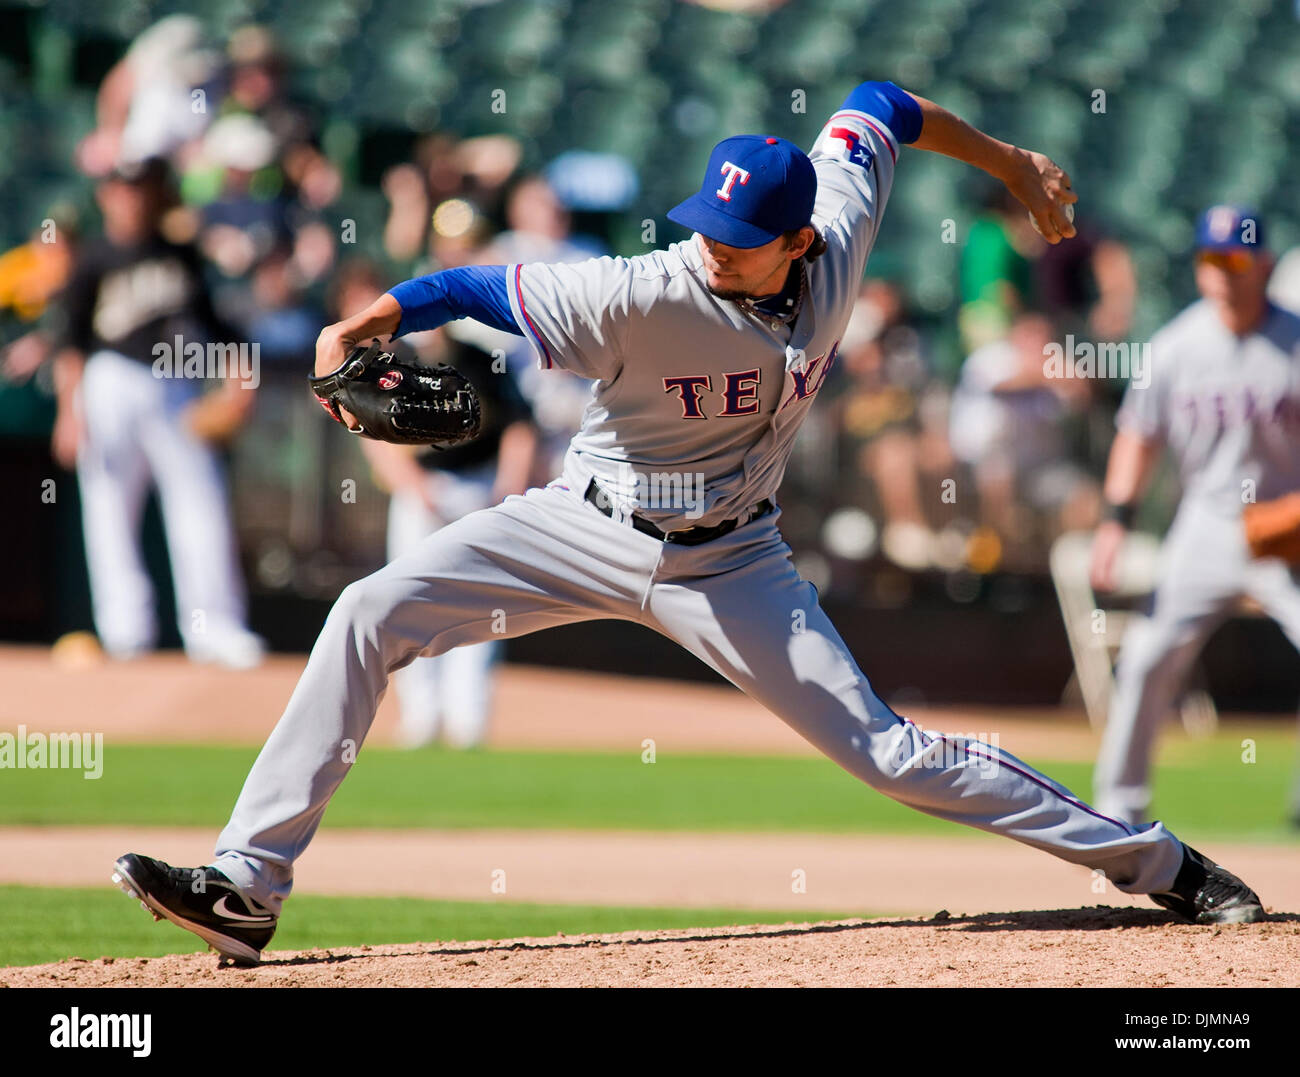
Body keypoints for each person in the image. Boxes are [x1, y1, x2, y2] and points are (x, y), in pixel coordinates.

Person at [113, 82, 1264, 967]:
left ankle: (1156, 862)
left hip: (734, 562)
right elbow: (468, 288)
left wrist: (1008, 163)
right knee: (369, 612)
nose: (712, 241)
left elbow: (884, 106)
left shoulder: (839, 219)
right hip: (582, 525)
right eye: (705, 220)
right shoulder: (639, 290)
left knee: (889, 755)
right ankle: (247, 886)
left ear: (799, 240)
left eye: (737, 233)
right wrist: (361, 326)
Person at [1090, 206, 1300, 828]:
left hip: (1289, 522)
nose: (1222, 272)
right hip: (1206, 525)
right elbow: (1138, 437)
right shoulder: (1175, 347)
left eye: (1235, 259)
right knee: (1148, 658)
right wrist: (1116, 521)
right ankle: (1119, 813)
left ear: (1264, 265)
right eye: (1211, 259)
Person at [51, 157, 264, 668]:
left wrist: (240, 383)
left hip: (175, 383)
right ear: (106, 196)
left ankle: (216, 628)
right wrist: (69, 412)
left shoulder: (179, 253)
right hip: (108, 381)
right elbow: (70, 344)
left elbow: (218, 327)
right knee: (109, 509)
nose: (132, 198)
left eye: (141, 189)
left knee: (201, 501)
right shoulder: (93, 258)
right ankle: (126, 632)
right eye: (123, 190)